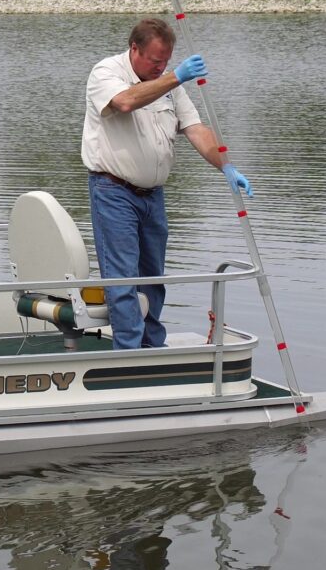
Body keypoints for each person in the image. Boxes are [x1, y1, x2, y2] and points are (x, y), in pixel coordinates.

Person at [81, 18, 252, 349]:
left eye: (166, 62)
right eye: (156, 61)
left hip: (153, 197)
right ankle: (129, 355)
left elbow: (196, 130)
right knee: (123, 280)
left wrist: (226, 166)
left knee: (153, 278)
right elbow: (126, 102)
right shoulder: (105, 73)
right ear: (135, 50)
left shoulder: (170, 85)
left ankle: (152, 347)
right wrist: (176, 76)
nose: (161, 68)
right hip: (113, 192)